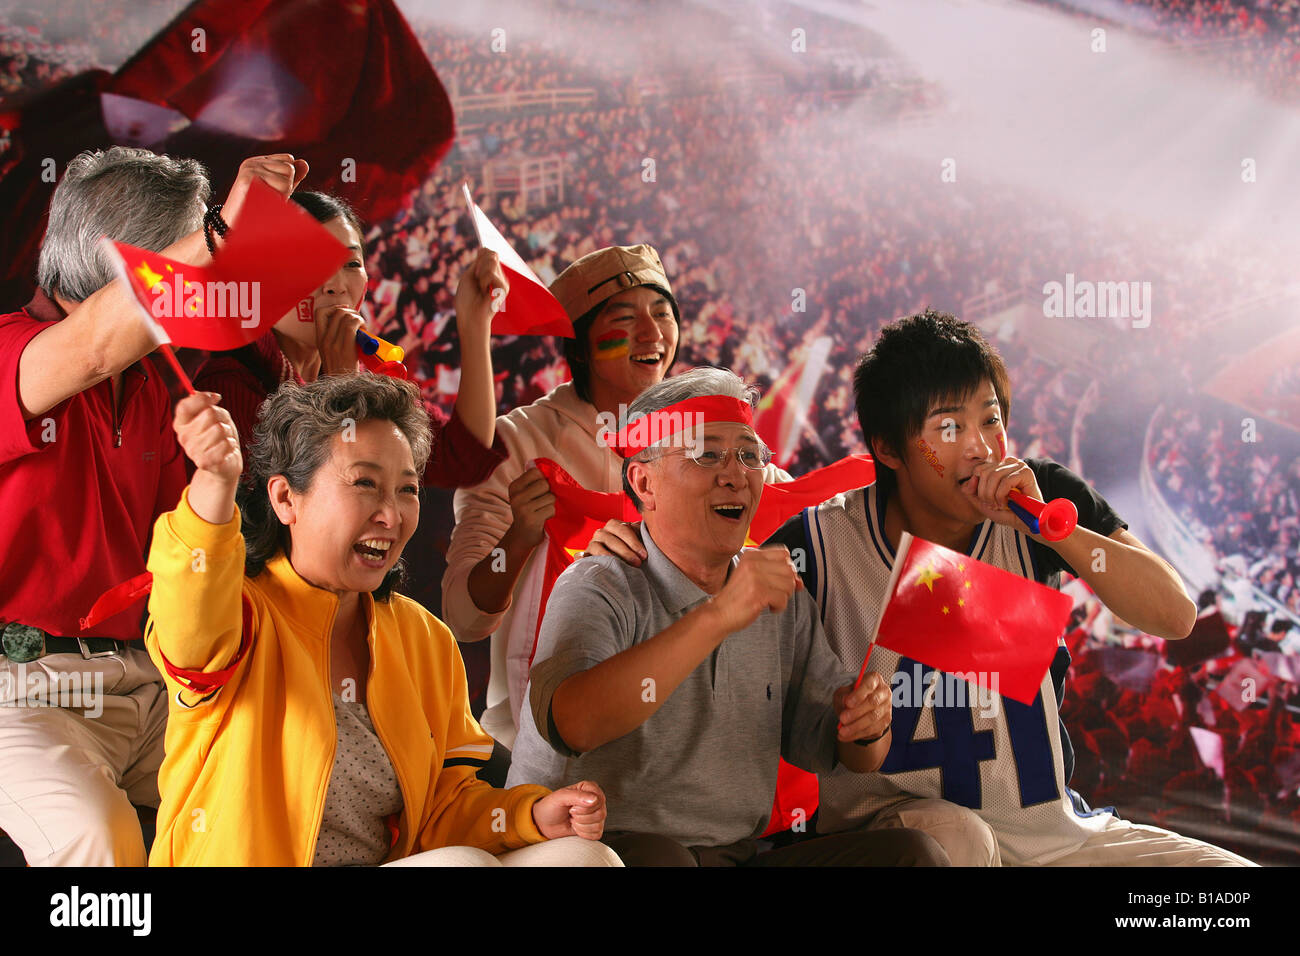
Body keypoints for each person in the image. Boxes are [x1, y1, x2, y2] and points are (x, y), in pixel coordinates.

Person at [768, 309, 1256, 866]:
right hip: (908, 844)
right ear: (888, 448)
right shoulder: (818, 543)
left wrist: (1058, 531)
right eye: (949, 428)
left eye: (991, 419)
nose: (980, 446)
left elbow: (1176, 615)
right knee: (957, 841)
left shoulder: (1041, 499)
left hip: (1056, 839)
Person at [144, 374, 620, 866]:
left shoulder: (424, 637)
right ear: (286, 499)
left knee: (586, 858)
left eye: (408, 489)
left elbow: (444, 810)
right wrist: (215, 481)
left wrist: (531, 815)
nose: (391, 516)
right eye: (365, 484)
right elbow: (190, 614)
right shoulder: (239, 616)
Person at [507, 368, 950, 866]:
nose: (736, 474)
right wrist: (719, 615)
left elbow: (845, 752)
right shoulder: (601, 584)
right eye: (707, 454)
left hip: (733, 855)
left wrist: (866, 724)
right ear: (644, 482)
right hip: (602, 850)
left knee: (913, 855)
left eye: (748, 454)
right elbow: (575, 724)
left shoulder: (778, 597)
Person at [0, 147, 298, 866]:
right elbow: (96, 345)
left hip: (149, 682)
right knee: (98, 838)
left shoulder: (155, 386)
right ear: (130, 264)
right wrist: (224, 228)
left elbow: (184, 557)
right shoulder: (14, 348)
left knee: (293, 785)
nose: (207, 286)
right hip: (21, 692)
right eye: (189, 265)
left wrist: (217, 481)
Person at [443, 244, 788, 750]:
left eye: (663, 314)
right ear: (580, 347)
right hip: (539, 741)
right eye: (624, 319)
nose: (652, 334)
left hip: (685, 742)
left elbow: (784, 504)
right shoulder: (517, 442)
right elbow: (464, 618)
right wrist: (519, 537)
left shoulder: (709, 432)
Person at [188, 191, 507, 489]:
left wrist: (474, 322)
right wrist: (340, 386)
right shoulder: (229, 389)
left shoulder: (369, 368)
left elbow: (460, 459)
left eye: (352, 264)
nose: (335, 286)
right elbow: (301, 518)